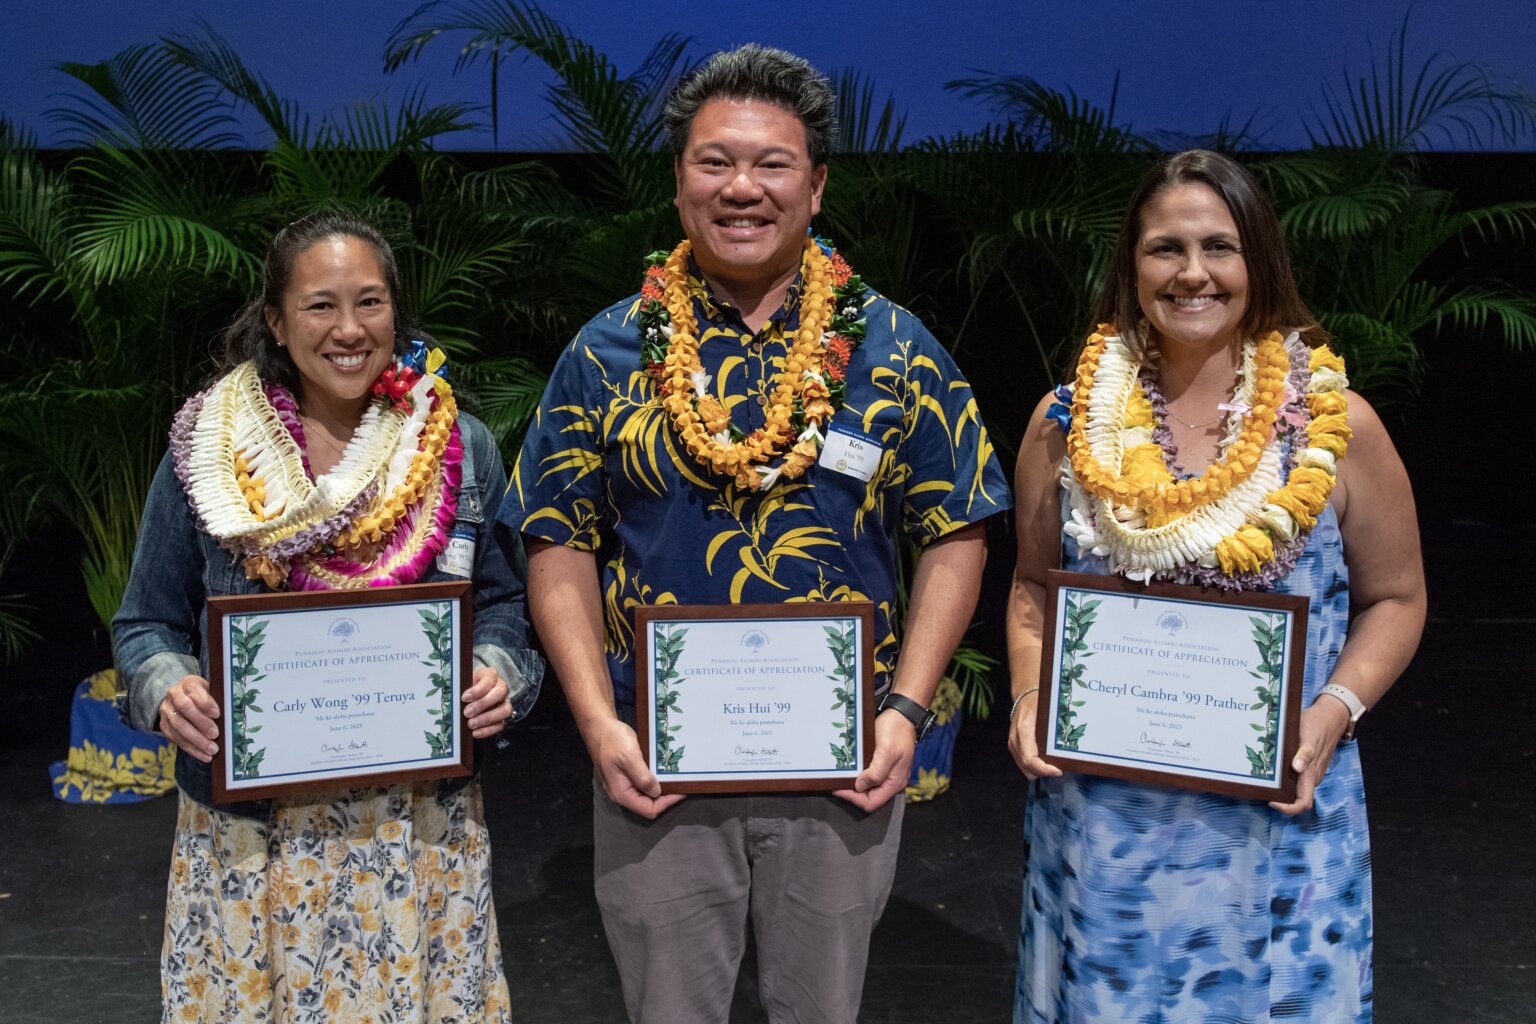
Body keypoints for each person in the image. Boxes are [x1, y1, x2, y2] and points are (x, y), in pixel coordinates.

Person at [499, 44, 1010, 1023]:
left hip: (844, 768)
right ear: (679, 179)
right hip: (653, 768)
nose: (743, 187)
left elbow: (957, 528)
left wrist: (905, 710)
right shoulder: (607, 352)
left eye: (772, 164)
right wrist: (599, 726)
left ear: (815, 185)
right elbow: (555, 537)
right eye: (715, 161)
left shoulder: (897, 350)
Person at [1006, 149, 1427, 1022]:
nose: (1192, 273)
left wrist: (1330, 713)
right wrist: (1024, 696)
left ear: (1258, 263)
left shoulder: (1337, 425)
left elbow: (1398, 599)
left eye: (1218, 247)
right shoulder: (1064, 427)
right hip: (1105, 831)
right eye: (1166, 249)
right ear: (1131, 266)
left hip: (1284, 816)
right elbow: (1033, 591)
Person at [112, 212, 543, 1022]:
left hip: (416, 829)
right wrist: (170, 690)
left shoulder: (457, 443)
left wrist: (500, 671)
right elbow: (144, 626)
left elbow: (506, 607)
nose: (349, 329)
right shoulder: (210, 449)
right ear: (275, 321)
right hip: (249, 838)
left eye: (370, 302)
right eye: (319, 306)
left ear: (396, 313)